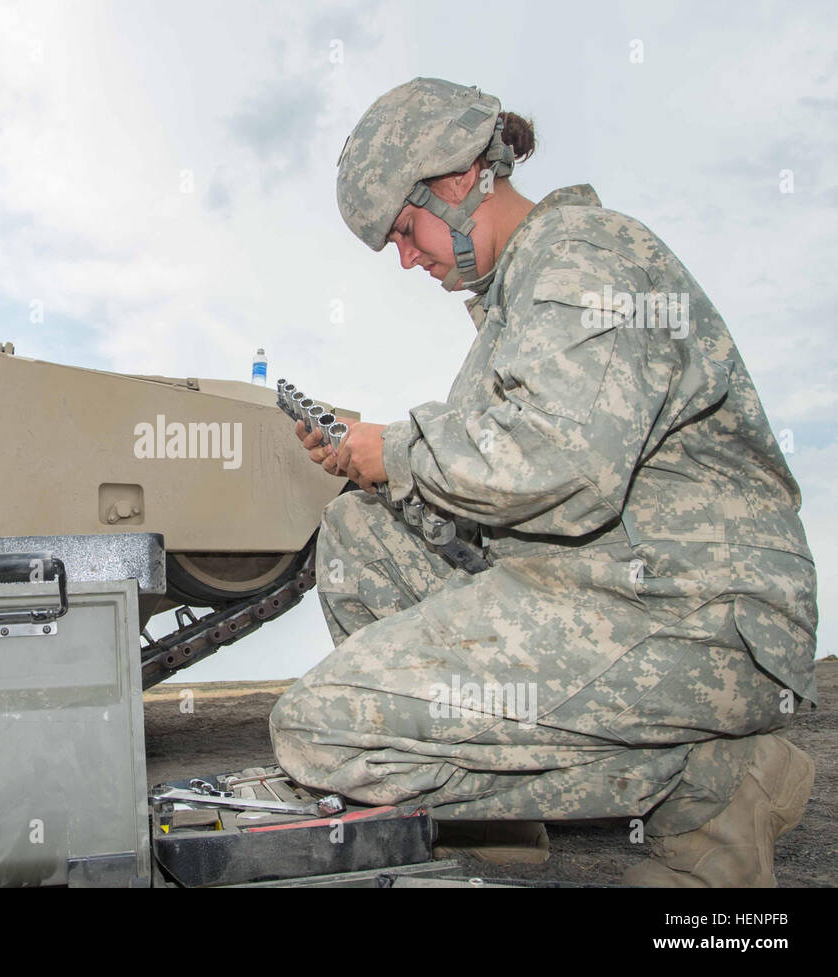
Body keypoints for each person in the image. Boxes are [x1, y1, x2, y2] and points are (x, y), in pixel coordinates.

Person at [269, 77, 817, 887]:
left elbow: (565, 466)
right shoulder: (516, 304)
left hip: (697, 607)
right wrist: (378, 471)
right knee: (357, 536)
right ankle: (510, 815)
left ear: (456, 179)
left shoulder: (586, 255)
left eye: (406, 230)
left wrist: (401, 450)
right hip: (594, 583)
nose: (408, 257)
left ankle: (704, 783)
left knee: (321, 729)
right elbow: (495, 504)